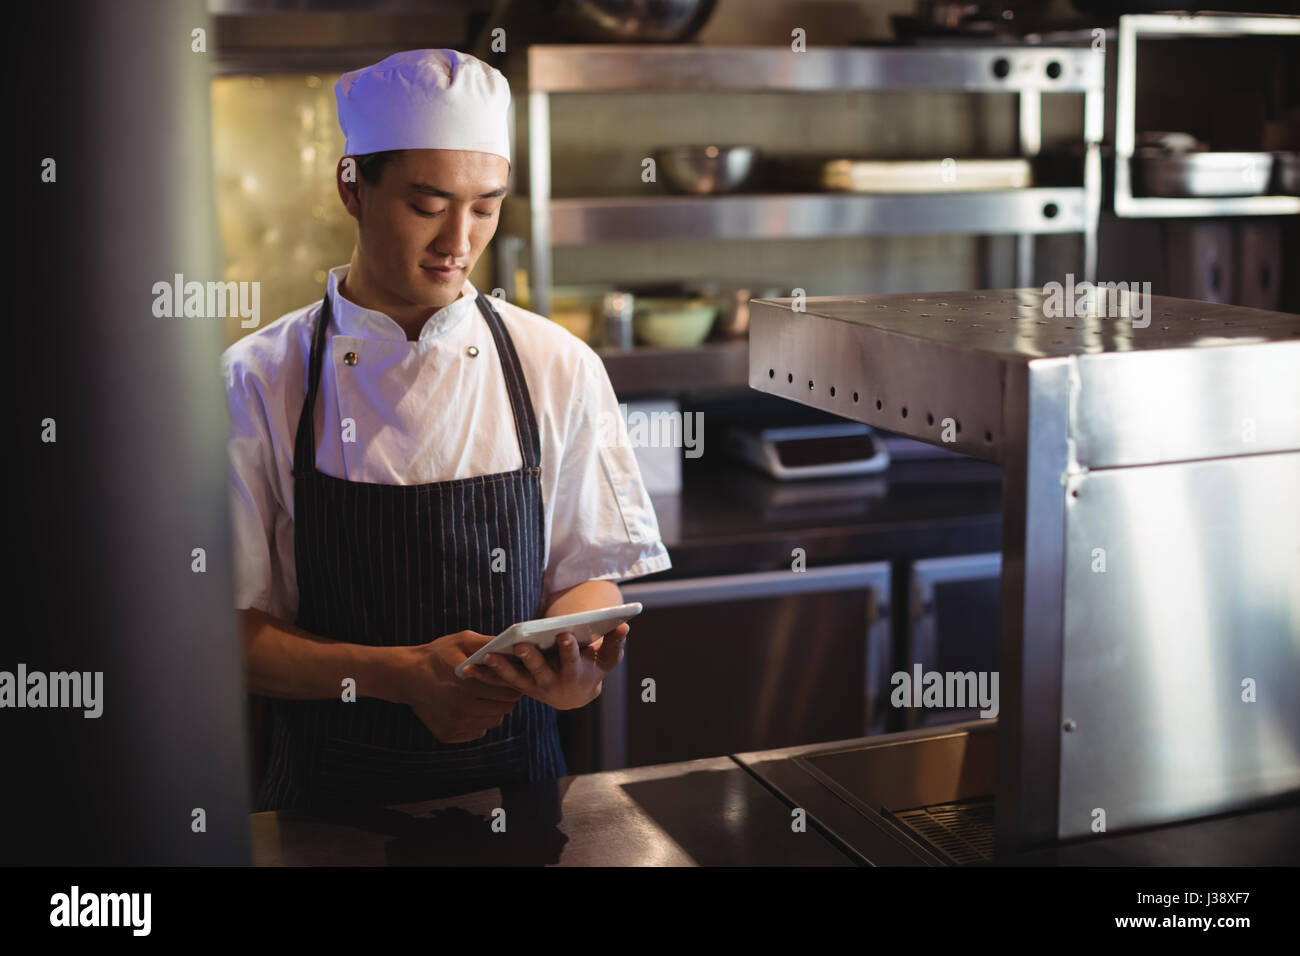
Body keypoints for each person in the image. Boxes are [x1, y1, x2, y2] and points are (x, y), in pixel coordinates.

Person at [222, 49, 671, 811]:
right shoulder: (258, 379)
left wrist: (574, 667)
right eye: (427, 206)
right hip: (327, 811)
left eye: (485, 208)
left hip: (520, 797)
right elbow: (226, 634)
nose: (457, 242)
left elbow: (585, 574)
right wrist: (400, 677)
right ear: (352, 186)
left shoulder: (555, 363)